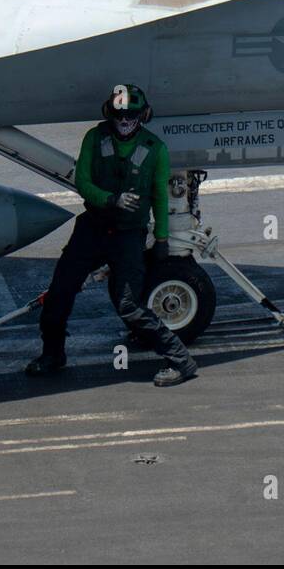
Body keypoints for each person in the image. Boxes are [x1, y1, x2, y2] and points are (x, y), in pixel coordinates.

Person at [25, 84, 199, 387]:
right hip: (92, 228)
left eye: (131, 115)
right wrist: (111, 199)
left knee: (129, 305)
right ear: (110, 114)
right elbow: (83, 182)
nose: (125, 121)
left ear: (142, 115)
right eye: (120, 115)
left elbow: (160, 196)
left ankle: (181, 360)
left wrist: (161, 239)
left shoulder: (156, 149)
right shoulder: (95, 138)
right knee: (59, 294)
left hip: (128, 236)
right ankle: (53, 354)